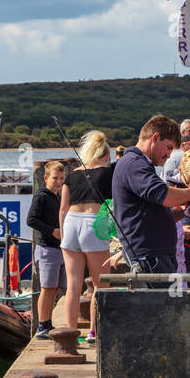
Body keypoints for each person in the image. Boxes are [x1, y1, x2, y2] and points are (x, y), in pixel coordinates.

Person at [111, 114, 190, 288]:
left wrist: (183, 212)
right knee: (160, 312)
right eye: (168, 147)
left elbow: (152, 213)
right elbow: (163, 195)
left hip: (156, 257)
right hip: (150, 259)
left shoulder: (142, 165)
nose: (168, 155)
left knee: (168, 311)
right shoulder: (134, 164)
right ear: (154, 138)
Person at [59, 131, 115, 340]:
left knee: (73, 285)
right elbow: (114, 205)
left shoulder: (72, 174)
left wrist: (64, 237)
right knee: (101, 285)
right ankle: (94, 332)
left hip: (71, 224)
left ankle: (70, 333)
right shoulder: (107, 174)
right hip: (94, 224)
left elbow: (63, 208)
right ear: (106, 156)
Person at [27, 160, 66, 337]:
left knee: (55, 288)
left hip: (58, 249)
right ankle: (42, 325)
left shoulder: (58, 197)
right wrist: (52, 231)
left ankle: (48, 322)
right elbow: (31, 220)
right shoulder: (41, 196)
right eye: (55, 178)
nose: (59, 182)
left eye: (62, 178)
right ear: (45, 178)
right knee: (47, 288)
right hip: (47, 249)